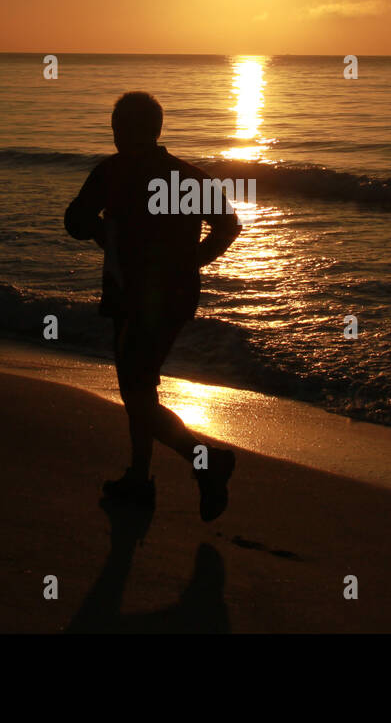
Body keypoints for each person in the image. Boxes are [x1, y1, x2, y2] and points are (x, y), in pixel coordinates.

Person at [65, 92, 241, 521]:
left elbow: (74, 221)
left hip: (133, 293)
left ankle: (204, 460)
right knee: (139, 387)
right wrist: (191, 262)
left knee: (137, 392)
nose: (115, 133)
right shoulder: (187, 176)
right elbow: (228, 226)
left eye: (117, 126)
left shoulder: (113, 172)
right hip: (177, 293)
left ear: (123, 129)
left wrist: (102, 233)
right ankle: (140, 479)